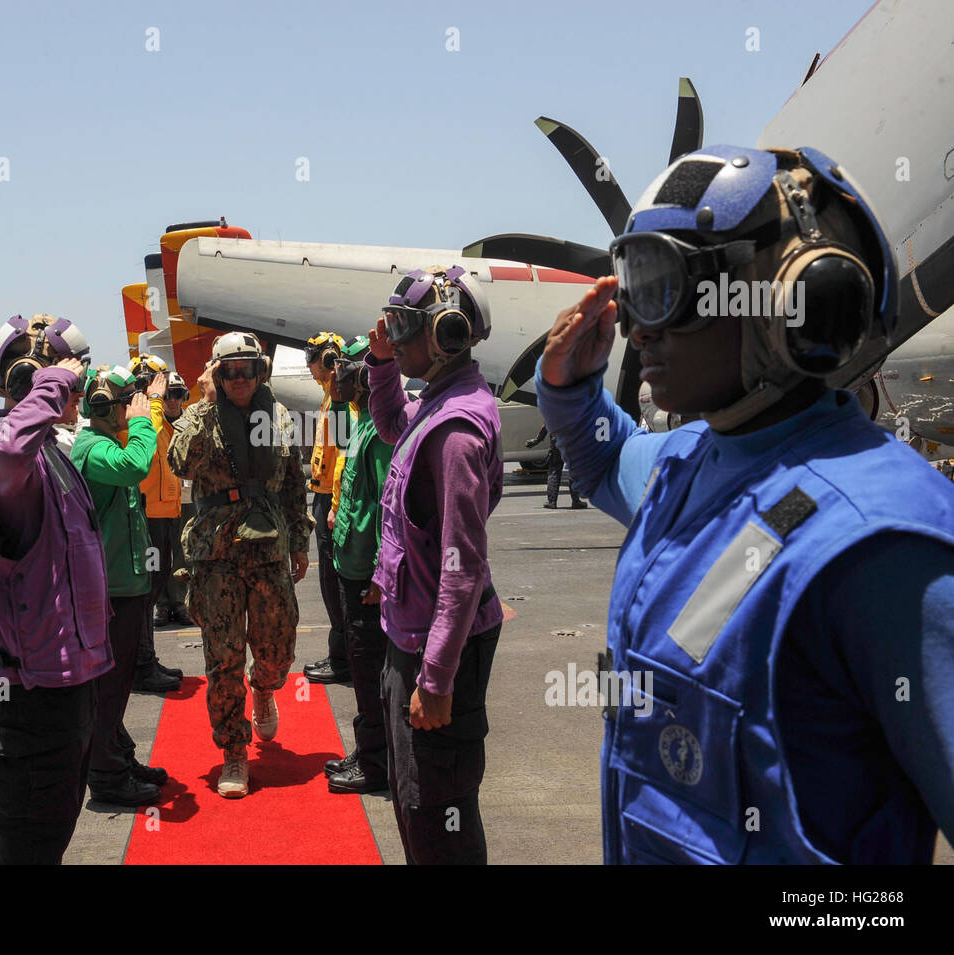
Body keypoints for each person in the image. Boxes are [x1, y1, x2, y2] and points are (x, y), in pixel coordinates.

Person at [536, 144, 954, 863]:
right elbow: (605, 460)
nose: (641, 329)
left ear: (791, 296)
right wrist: (569, 392)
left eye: (667, 287)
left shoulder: (882, 544)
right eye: (636, 290)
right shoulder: (686, 463)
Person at [367, 265, 505, 865]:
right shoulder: (437, 402)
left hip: (436, 647)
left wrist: (436, 678)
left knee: (436, 816)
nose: (392, 337)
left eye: (403, 326)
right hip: (418, 634)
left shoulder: (454, 431)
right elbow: (394, 426)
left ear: (446, 333)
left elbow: (463, 568)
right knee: (416, 802)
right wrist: (379, 367)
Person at [0, 314, 110, 864]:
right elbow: (8, 452)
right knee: (29, 842)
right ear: (30, 381)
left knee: (49, 833)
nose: (78, 390)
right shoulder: (5, 458)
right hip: (32, 692)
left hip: (65, 681)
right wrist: (49, 384)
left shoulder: (50, 453)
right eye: (67, 380)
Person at [168, 332, 312, 798]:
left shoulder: (279, 416)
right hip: (216, 556)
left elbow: (292, 482)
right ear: (216, 373)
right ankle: (234, 752)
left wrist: (300, 541)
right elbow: (181, 464)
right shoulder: (200, 416)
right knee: (222, 658)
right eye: (229, 370)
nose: (239, 379)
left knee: (278, 650)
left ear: (260, 371)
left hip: (268, 547)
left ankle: (264, 688)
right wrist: (204, 403)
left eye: (247, 369)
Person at [70, 365, 171, 804]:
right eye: (125, 402)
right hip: (109, 592)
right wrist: (146, 417)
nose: (131, 408)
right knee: (108, 689)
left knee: (120, 682)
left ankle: (117, 754)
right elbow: (135, 468)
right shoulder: (94, 449)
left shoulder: (109, 443)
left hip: (123, 586)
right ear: (104, 408)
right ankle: (107, 777)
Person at [324, 335, 393, 795]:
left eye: (345, 371)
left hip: (366, 575)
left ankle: (377, 764)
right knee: (362, 669)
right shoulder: (363, 422)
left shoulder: (380, 429)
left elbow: (391, 507)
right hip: (351, 567)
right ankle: (368, 749)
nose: (336, 378)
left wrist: (381, 574)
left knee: (370, 672)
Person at [128, 352, 184, 692]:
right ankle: (141, 665)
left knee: (153, 590)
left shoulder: (159, 417)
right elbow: (145, 446)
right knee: (145, 595)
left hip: (165, 516)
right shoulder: (144, 415)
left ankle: (146, 658)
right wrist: (153, 400)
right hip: (148, 519)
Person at [301, 331, 352, 685]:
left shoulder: (339, 400)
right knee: (330, 582)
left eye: (313, 359)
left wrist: (334, 506)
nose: (310, 367)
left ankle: (343, 659)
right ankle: (342, 653)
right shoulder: (329, 398)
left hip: (330, 500)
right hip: (323, 496)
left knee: (334, 583)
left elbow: (343, 460)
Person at [148, 369, 195, 629]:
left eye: (177, 394)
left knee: (183, 552)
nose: (173, 400)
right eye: (168, 395)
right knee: (158, 555)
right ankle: (162, 604)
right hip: (161, 499)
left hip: (187, 496)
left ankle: (180, 602)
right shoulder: (154, 423)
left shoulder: (190, 422)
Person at [525, 425, 586, 509]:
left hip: (557, 441)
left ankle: (552, 502)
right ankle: (576, 501)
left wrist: (537, 440)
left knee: (554, 471)